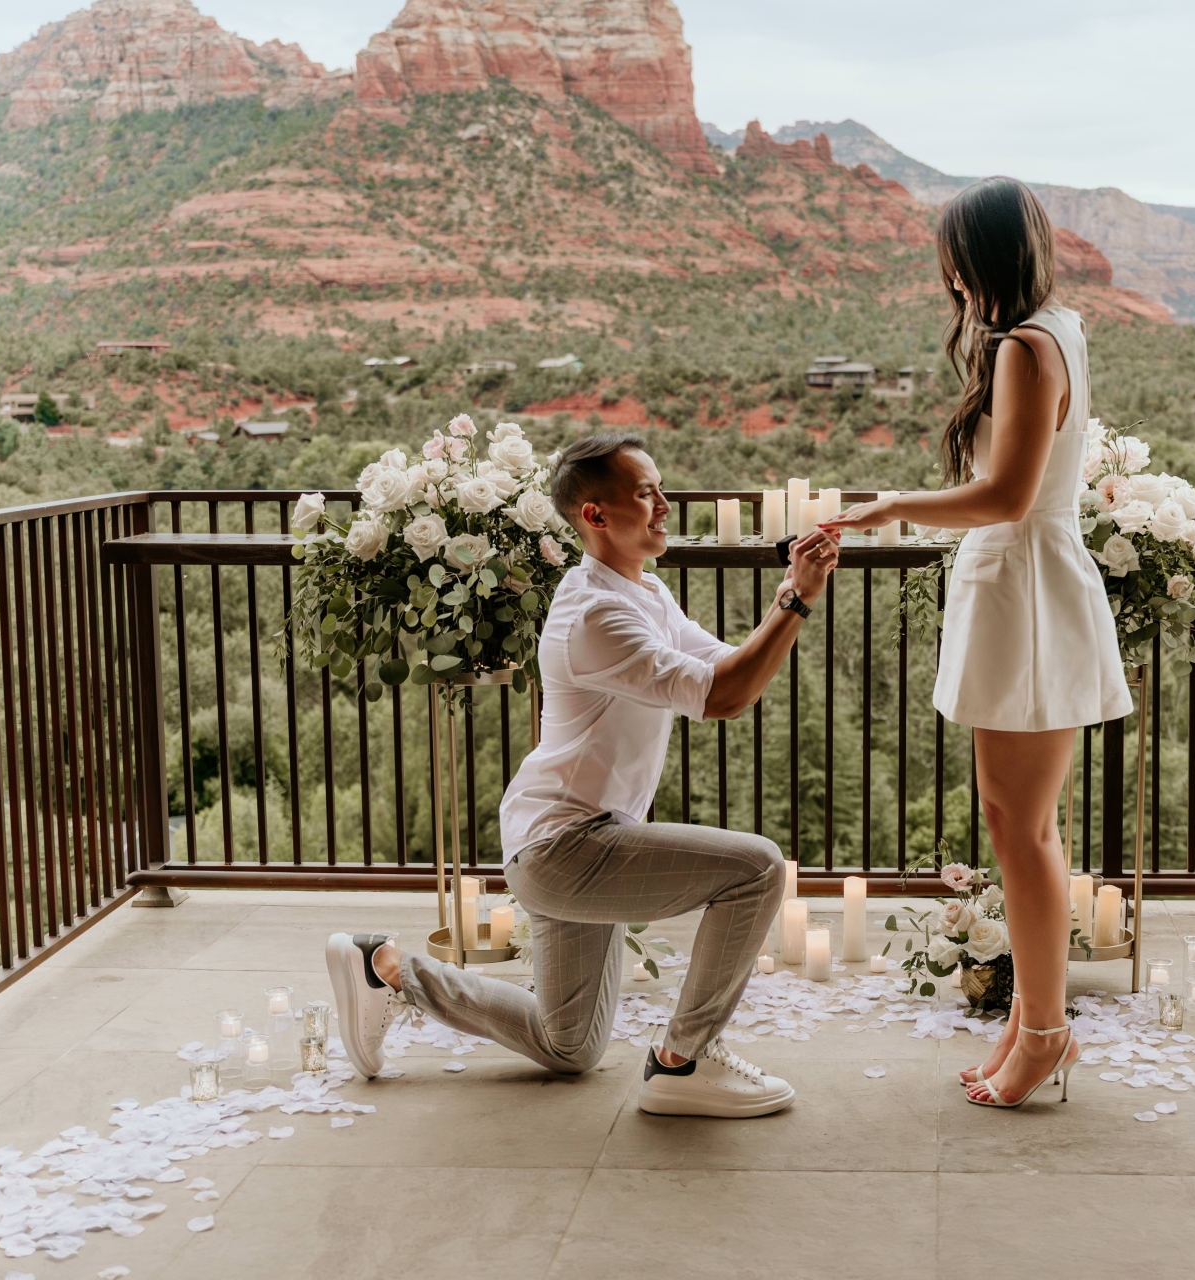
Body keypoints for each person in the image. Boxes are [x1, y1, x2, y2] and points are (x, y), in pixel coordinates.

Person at [326, 433, 839, 1118]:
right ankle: (683, 1063)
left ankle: (387, 968)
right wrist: (796, 601)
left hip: (570, 841)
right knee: (759, 869)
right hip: (569, 847)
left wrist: (786, 600)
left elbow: (725, 669)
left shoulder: (642, 590)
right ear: (595, 515)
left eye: (660, 489)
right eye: (646, 494)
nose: (665, 505)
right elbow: (725, 698)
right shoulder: (596, 615)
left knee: (568, 1045)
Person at [823, 177, 1131, 1110]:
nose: (948, 275)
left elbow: (1006, 495)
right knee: (1021, 826)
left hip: (1023, 586)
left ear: (980, 258)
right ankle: (1030, 1021)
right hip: (1020, 583)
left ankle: (1044, 1034)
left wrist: (891, 506)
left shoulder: (1026, 348)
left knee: (1019, 829)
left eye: (953, 258)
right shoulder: (1056, 329)